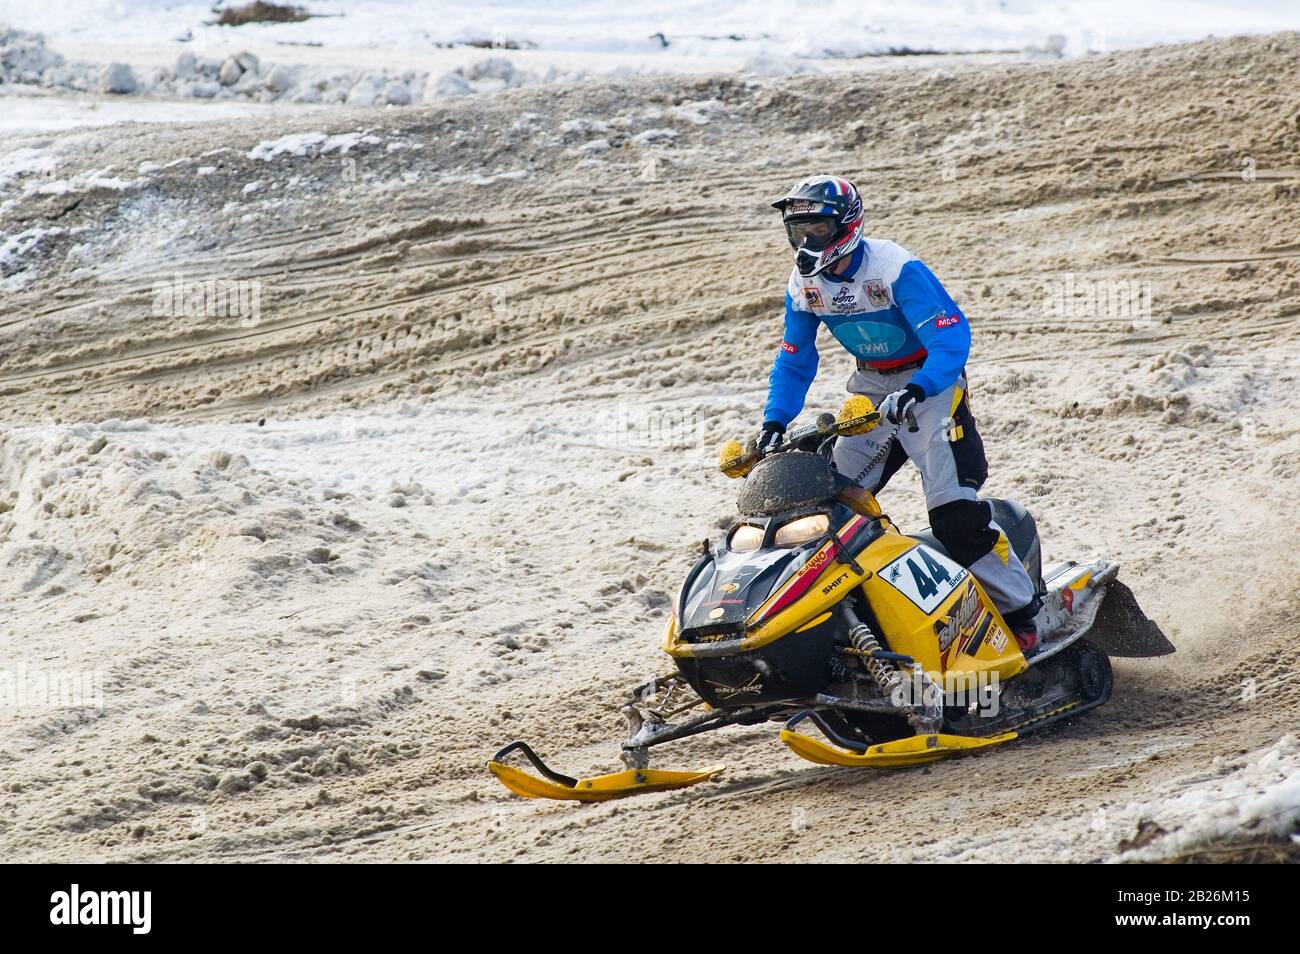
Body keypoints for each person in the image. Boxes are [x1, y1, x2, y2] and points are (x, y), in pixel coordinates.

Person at [757, 175, 1042, 650]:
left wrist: (920, 387)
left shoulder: (895, 267)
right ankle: (843, 623)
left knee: (952, 514)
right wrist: (774, 420)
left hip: (930, 385)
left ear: (847, 225)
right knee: (826, 507)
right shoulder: (803, 282)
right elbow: (794, 358)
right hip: (869, 387)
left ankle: (1022, 615)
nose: (807, 243)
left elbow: (950, 338)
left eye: (818, 230)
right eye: (798, 232)